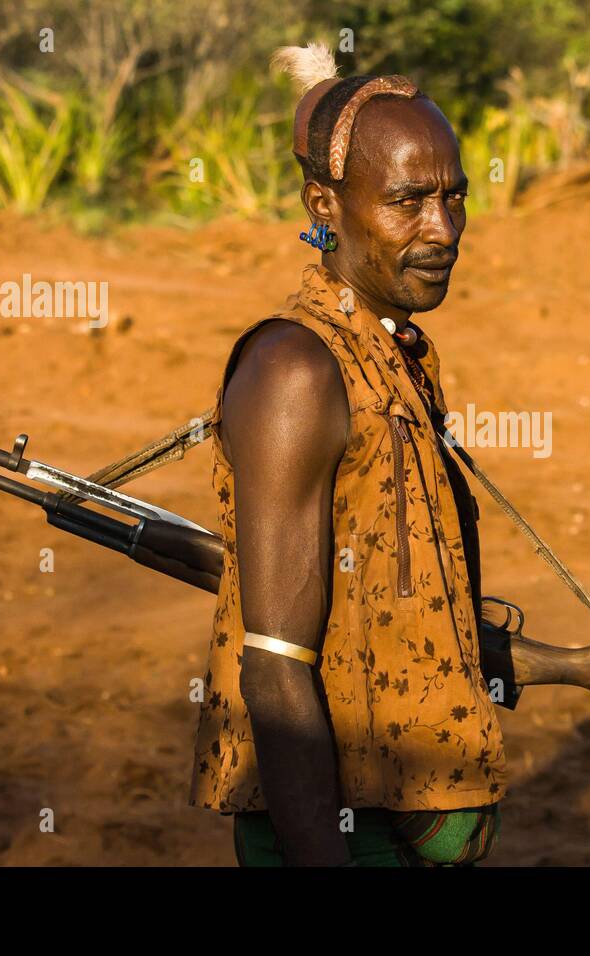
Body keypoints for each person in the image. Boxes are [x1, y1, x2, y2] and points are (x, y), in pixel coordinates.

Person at [188, 42, 509, 866]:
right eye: (407, 202)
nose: (443, 230)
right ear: (323, 204)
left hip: (401, 814)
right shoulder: (297, 370)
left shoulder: (394, 349)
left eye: (454, 198)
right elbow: (276, 668)